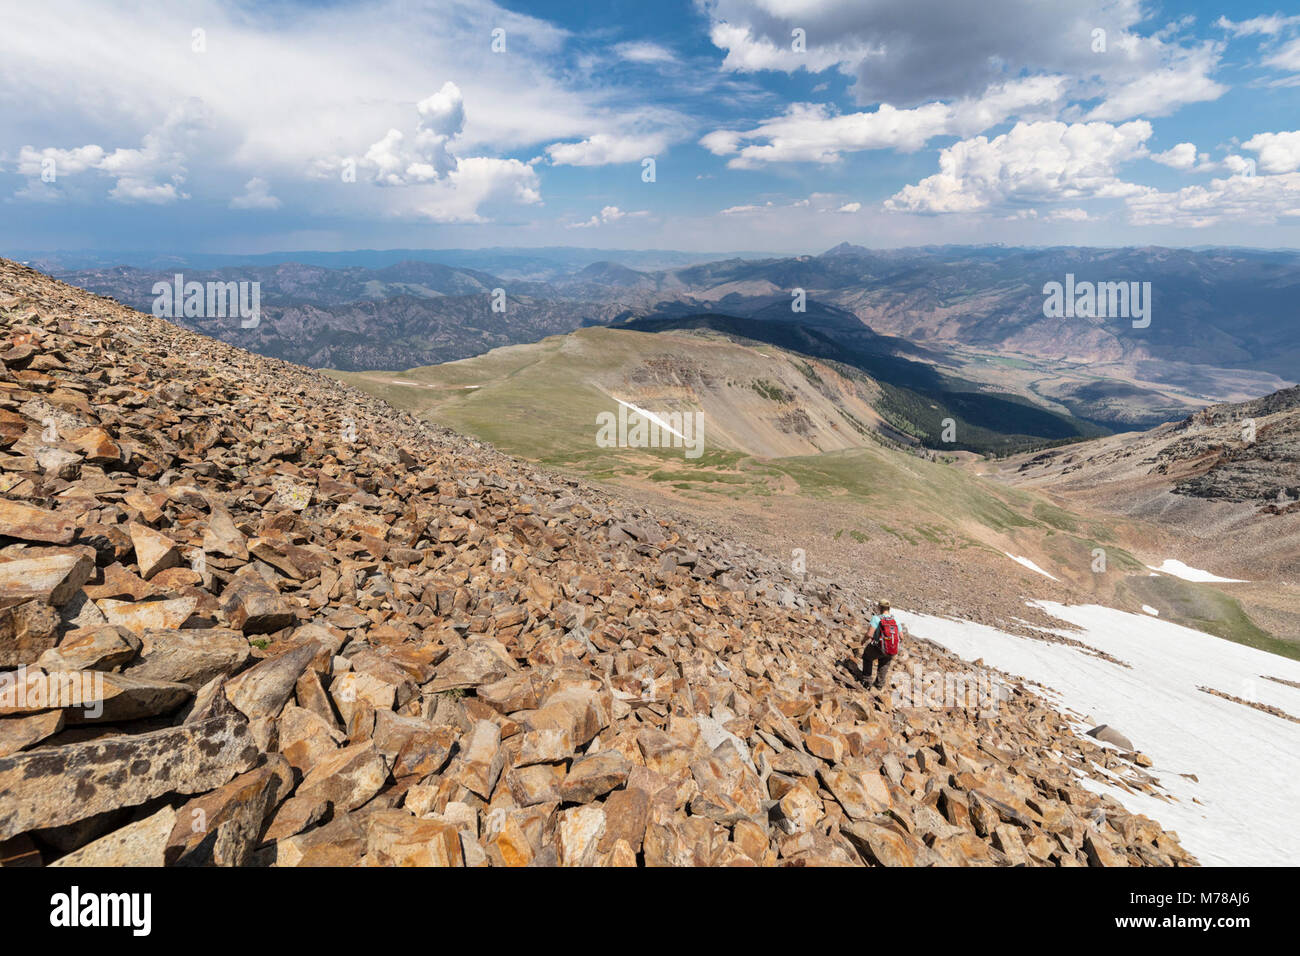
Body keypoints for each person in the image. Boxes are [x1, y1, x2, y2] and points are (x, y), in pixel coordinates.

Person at [862, 600, 901, 690]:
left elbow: (869, 634)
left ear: (879, 607)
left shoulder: (877, 618)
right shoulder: (895, 620)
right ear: (889, 608)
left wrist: (863, 641)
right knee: (884, 664)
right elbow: (901, 636)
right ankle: (879, 686)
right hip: (891, 648)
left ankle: (866, 681)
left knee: (867, 657)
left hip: (878, 646)